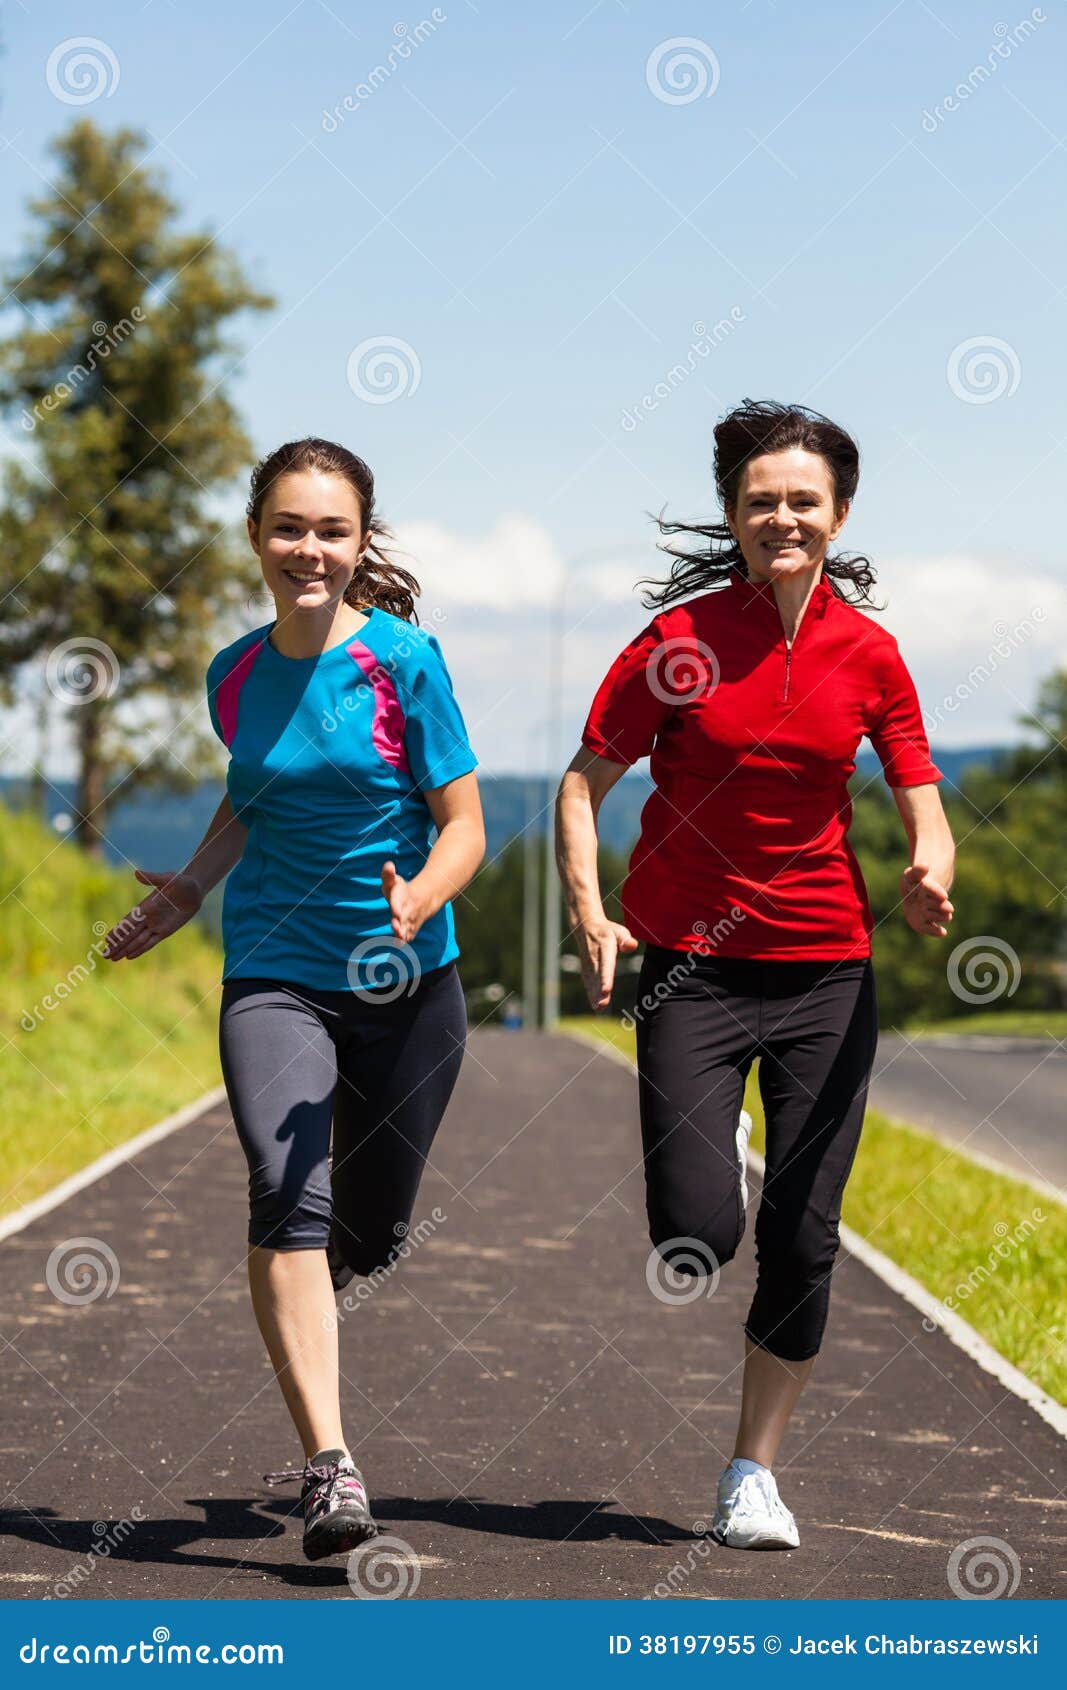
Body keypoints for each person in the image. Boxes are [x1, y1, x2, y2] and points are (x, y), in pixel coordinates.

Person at [555, 399, 955, 1551]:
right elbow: (581, 784)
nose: (781, 517)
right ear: (732, 513)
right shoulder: (676, 646)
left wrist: (928, 870)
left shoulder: (868, 653)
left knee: (803, 1233)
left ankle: (750, 1472)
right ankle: (718, 1164)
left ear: (837, 514)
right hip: (689, 969)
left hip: (826, 969)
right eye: (759, 500)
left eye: (802, 500)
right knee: (694, 1230)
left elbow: (920, 800)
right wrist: (590, 908)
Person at [102, 437, 484, 1561]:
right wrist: (187, 891)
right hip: (273, 970)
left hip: (410, 984)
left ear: (360, 542)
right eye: (287, 527)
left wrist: (417, 896)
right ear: (255, 538)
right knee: (285, 1193)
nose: (307, 549)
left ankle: (333, 1291)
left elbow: (463, 821)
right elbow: (250, 803)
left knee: (369, 1228)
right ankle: (332, 1468)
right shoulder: (233, 673)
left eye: (329, 530)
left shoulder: (404, 663)